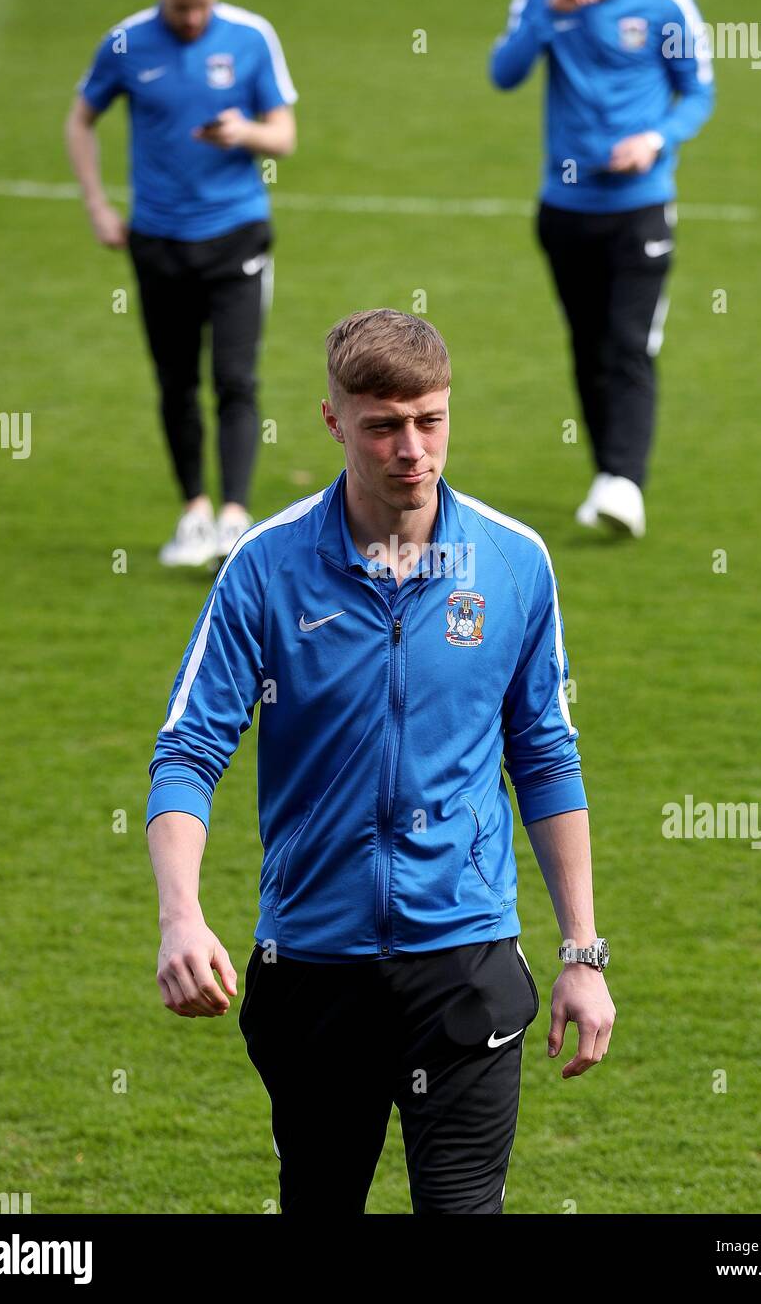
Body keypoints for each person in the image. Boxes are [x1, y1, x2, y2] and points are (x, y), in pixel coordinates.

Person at [145, 309, 616, 1215]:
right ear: (333, 420)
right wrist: (180, 917)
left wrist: (582, 953)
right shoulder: (266, 567)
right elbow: (188, 751)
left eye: (431, 420)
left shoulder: (512, 563)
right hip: (313, 967)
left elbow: (546, 757)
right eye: (383, 426)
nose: (412, 450)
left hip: (466, 959)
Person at [65, 0, 298, 567]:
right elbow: (80, 119)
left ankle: (234, 518)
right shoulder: (125, 42)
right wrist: (97, 206)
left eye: (203, 5)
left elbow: (284, 136)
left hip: (236, 236)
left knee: (235, 379)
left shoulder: (251, 36)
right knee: (175, 383)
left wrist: (243, 131)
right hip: (158, 242)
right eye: (181, 6)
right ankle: (194, 511)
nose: (193, 18)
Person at [489, 0, 714, 539]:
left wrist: (655, 140)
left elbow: (698, 93)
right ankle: (608, 477)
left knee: (628, 343)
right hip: (565, 208)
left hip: (640, 206)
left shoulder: (666, 5)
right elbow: (504, 74)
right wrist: (549, 17)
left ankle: (626, 483)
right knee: (587, 346)